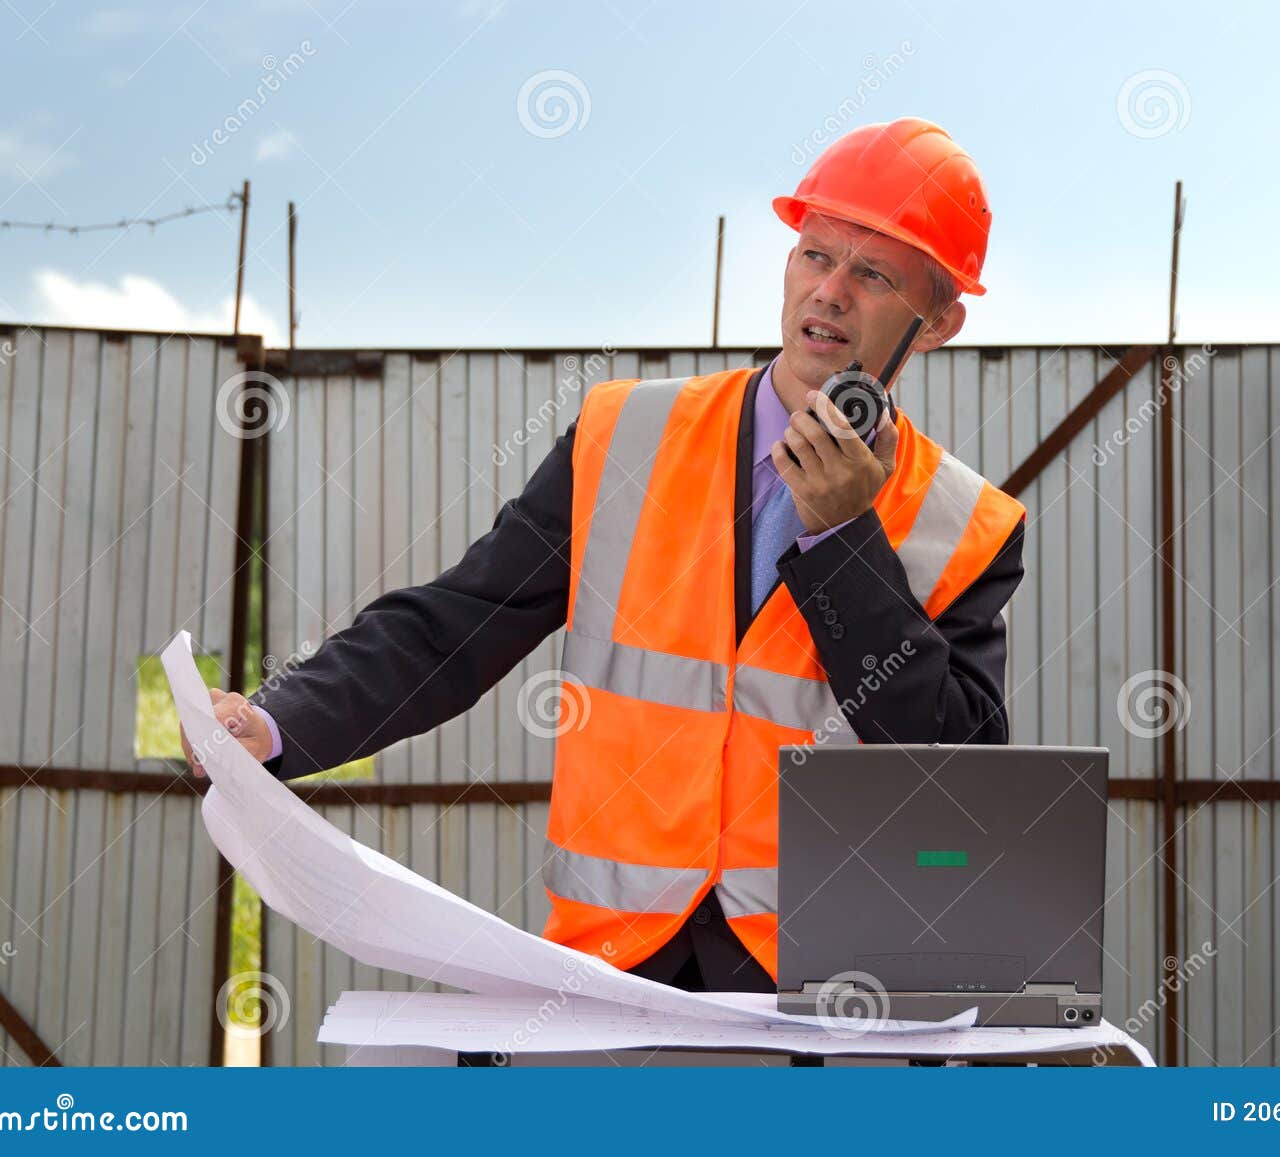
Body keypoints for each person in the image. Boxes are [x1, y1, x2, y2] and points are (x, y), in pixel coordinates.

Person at [181, 117, 1026, 996]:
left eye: (875, 273)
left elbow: (954, 774)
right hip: (611, 973)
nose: (832, 292)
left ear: (938, 322)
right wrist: (279, 722)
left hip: (831, 989)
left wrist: (846, 541)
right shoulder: (624, 437)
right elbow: (458, 623)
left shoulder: (967, 524)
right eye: (816, 256)